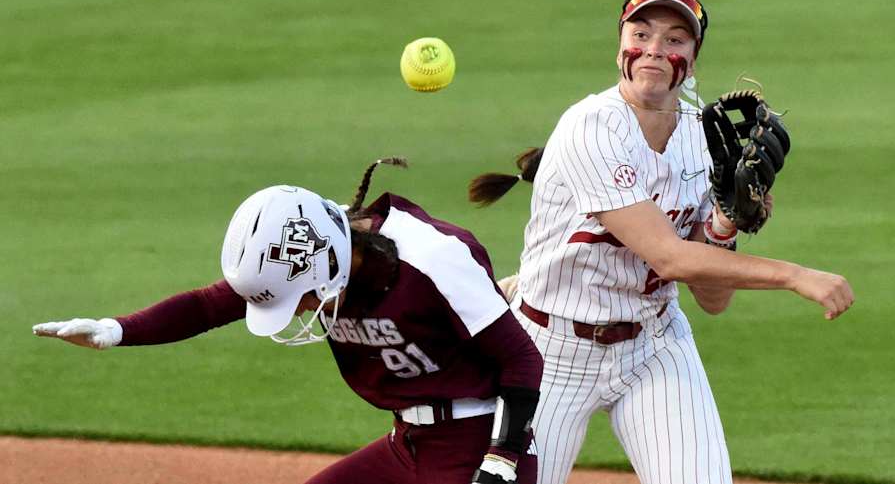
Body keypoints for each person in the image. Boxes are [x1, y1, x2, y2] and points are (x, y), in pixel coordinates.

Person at [468, 0, 854, 484]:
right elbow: (669, 258)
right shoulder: (592, 128)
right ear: (619, 49)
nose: (655, 48)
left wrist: (724, 220)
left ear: (691, 61)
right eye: (642, 33)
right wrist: (795, 275)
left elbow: (712, 299)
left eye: (675, 39)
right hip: (550, 349)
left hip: (654, 344)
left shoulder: (701, 137)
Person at [33, 159, 544, 484]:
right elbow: (211, 305)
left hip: (474, 447)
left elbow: (521, 357)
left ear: (329, 265)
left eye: (298, 299)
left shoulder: (435, 259)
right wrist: (117, 330)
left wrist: (501, 463)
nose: (299, 309)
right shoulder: (312, 247)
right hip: (406, 446)